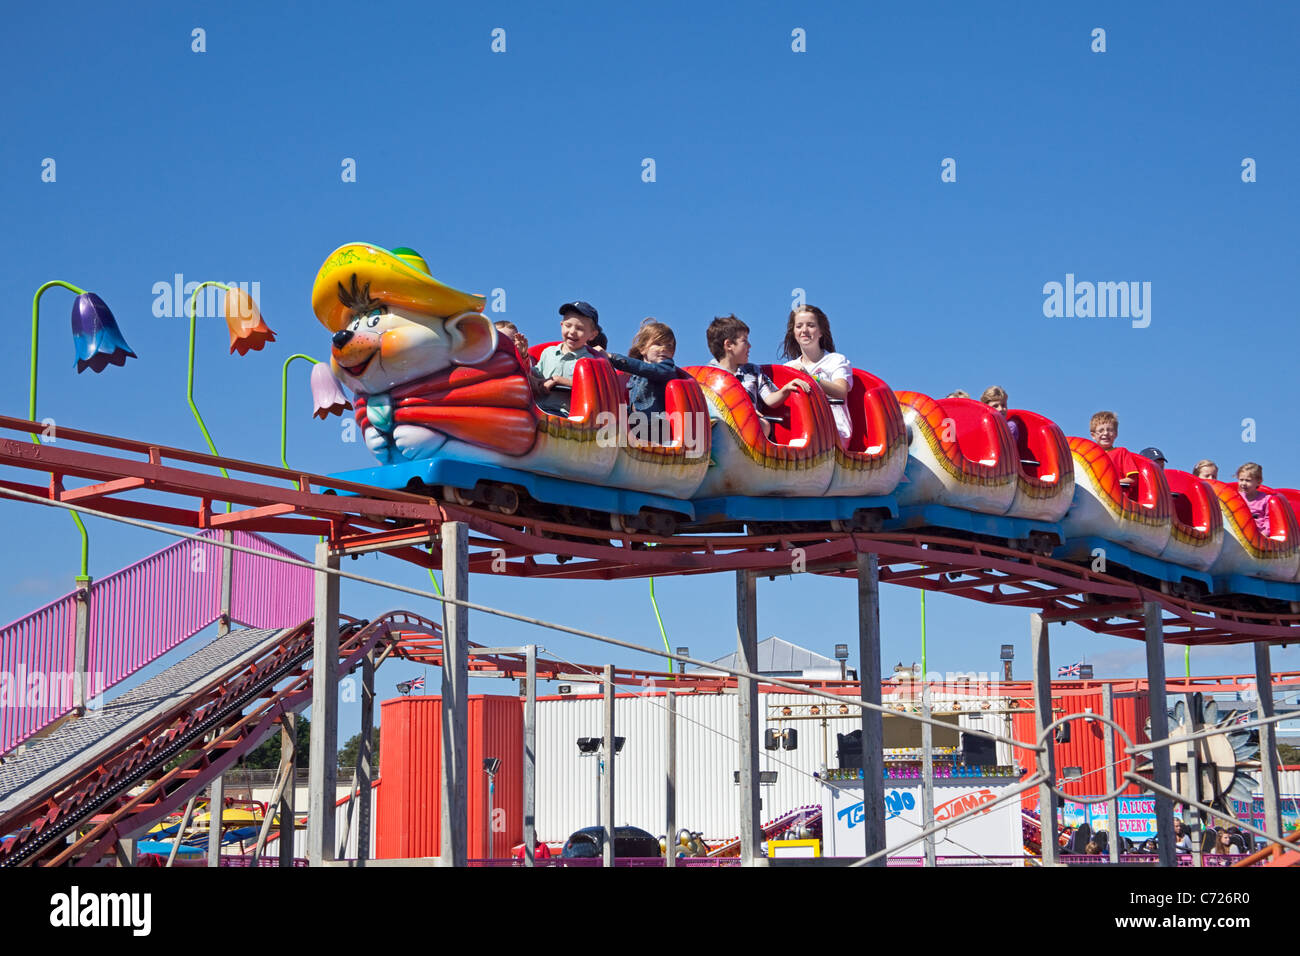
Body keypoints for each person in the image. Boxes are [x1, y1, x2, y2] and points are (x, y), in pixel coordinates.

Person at [706, 314, 809, 437]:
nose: (750, 346)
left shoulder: (753, 371)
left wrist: (786, 389)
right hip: (719, 427)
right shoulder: (707, 376)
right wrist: (742, 412)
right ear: (728, 345)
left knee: (763, 425)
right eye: (744, 341)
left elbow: (770, 400)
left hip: (749, 429)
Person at [782, 305, 853, 442]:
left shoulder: (836, 360)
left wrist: (809, 378)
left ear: (820, 332)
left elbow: (841, 391)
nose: (804, 330)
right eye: (799, 326)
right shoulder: (788, 367)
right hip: (800, 430)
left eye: (811, 325)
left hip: (833, 430)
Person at [600, 319, 685, 417]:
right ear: (643, 348)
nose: (664, 348)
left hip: (657, 425)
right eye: (658, 344)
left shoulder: (667, 369)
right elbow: (634, 403)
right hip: (637, 423)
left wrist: (612, 357)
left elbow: (646, 369)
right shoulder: (635, 375)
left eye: (669, 345)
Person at [532, 301, 600, 416]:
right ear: (561, 325)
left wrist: (558, 380)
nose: (572, 331)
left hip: (567, 415)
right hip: (539, 410)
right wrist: (522, 357)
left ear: (592, 335)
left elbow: (591, 388)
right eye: (568, 326)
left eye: (580, 328)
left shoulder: (590, 360)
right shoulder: (548, 353)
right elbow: (535, 374)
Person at [1237, 462, 1273, 536]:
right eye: (1241, 480)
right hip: (1239, 533)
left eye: (1248, 480)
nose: (1243, 483)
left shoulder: (1265, 499)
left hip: (1258, 535)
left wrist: (1264, 534)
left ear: (1258, 482)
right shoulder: (1236, 497)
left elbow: (1269, 519)